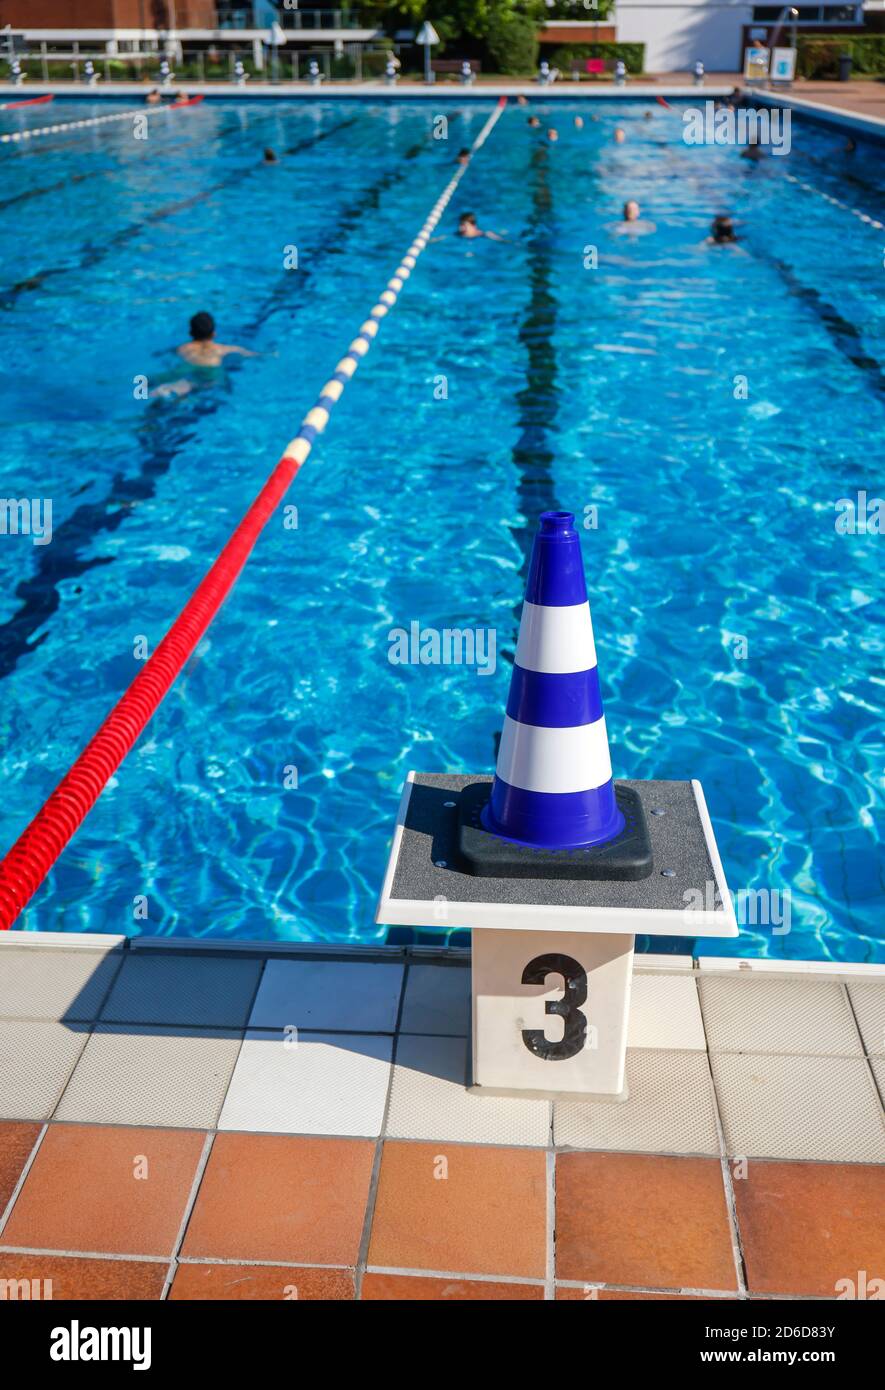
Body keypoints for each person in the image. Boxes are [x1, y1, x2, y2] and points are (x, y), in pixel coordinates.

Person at [177, 312, 256, 367]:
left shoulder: (182, 349)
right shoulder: (222, 349)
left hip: (190, 372)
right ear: (214, 334)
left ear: (190, 333)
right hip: (212, 375)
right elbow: (249, 354)